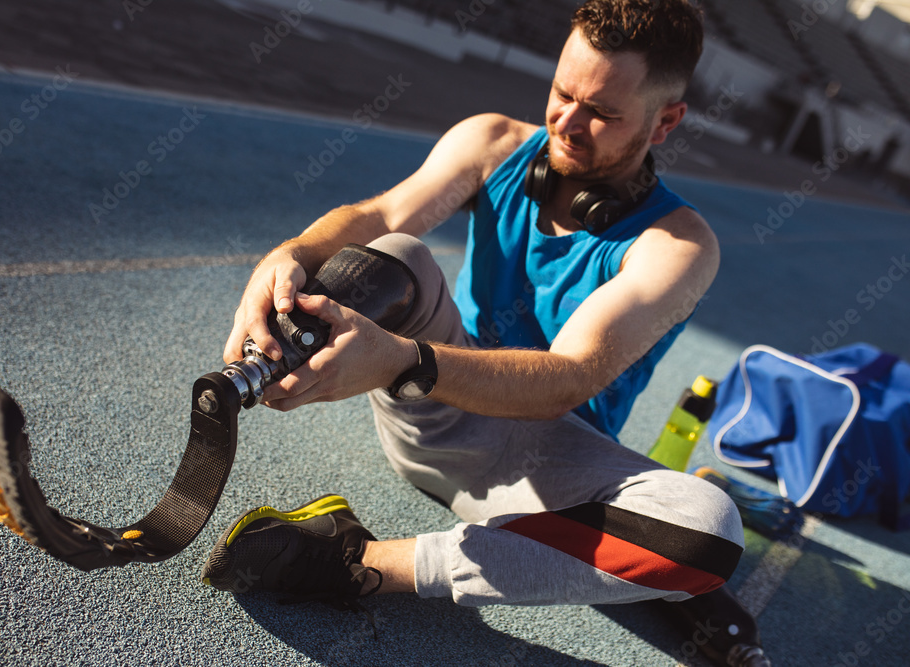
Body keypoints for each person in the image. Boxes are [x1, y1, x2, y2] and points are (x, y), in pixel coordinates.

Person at [203, 0, 760, 663]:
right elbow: (377, 213)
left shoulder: (679, 244)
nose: (567, 122)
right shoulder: (493, 141)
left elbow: (570, 376)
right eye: (562, 93)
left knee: (711, 525)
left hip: (550, 473)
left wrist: (401, 358)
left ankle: (355, 559)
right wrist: (288, 255)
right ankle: (273, 366)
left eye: (603, 113)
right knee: (398, 251)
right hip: (434, 413)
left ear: (665, 121)